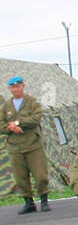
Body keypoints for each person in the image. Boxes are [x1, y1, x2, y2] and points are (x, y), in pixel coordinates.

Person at [3, 76, 50, 214]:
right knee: (20, 177)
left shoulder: (32, 102)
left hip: (33, 145)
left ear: (23, 86)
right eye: (12, 87)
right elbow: (1, 124)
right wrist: (10, 127)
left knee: (40, 175)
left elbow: (35, 119)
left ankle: (44, 200)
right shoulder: (6, 106)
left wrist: (18, 123)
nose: (15, 89)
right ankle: (28, 202)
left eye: (18, 86)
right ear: (10, 89)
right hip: (15, 146)